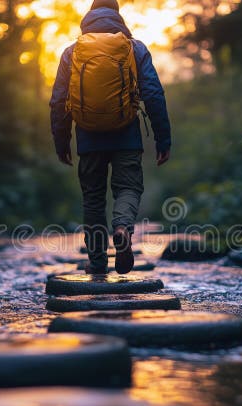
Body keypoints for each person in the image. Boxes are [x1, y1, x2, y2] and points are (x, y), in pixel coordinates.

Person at [49, 0, 171, 275]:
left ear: (88, 17)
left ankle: (97, 262)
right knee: (128, 188)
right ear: (118, 16)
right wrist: (163, 139)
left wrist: (62, 141)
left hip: (88, 136)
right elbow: (153, 94)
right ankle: (122, 228)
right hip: (126, 135)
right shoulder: (134, 48)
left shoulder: (72, 52)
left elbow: (58, 101)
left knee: (93, 198)